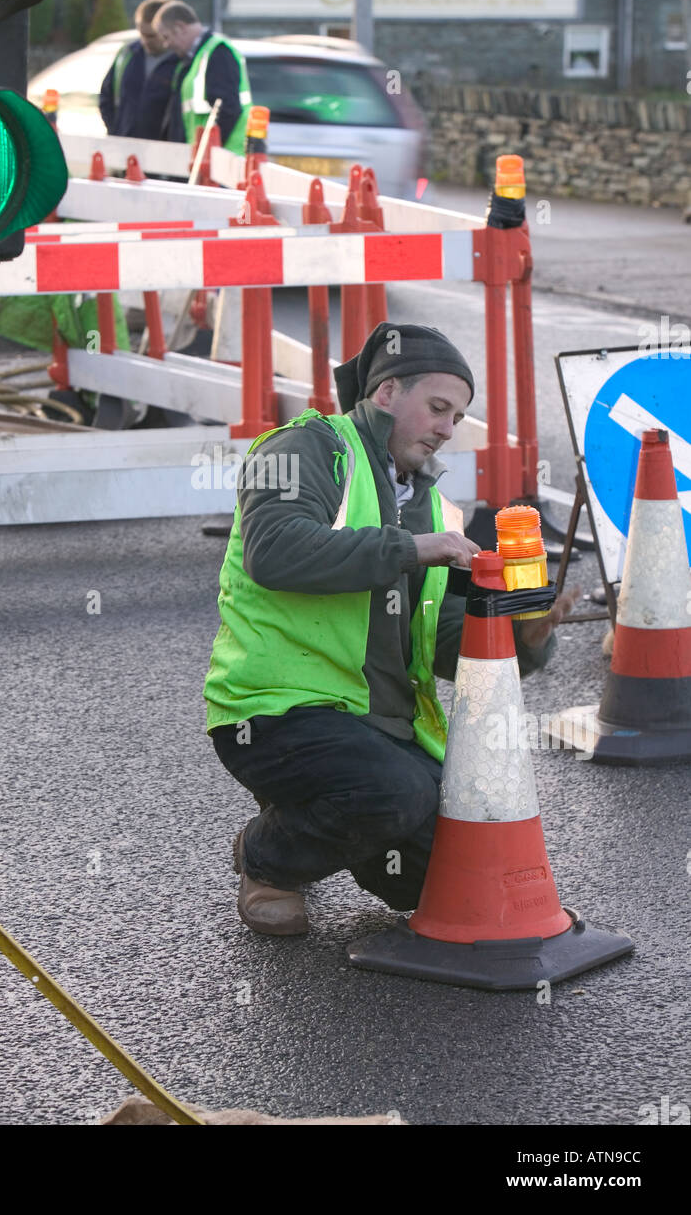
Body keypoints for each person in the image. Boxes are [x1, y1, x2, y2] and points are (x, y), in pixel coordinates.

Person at [203, 323, 580, 936]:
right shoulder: (300, 449)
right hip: (275, 710)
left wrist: (527, 639)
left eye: (457, 417)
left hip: (376, 727)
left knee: (447, 870)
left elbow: (448, 643)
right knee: (394, 795)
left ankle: (317, 805)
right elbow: (274, 552)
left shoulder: (434, 509)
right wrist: (413, 548)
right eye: (437, 408)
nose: (447, 429)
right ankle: (267, 858)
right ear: (385, 393)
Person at [153, 0, 252, 154]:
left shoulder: (217, 52)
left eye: (166, 37)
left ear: (179, 27)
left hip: (223, 162)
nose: (166, 45)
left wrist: (205, 154)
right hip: (211, 161)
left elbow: (228, 110)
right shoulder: (196, 58)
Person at [98, 0, 178, 140]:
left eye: (152, 35)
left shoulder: (181, 62)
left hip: (165, 151)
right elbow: (106, 97)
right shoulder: (128, 54)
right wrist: (115, 131)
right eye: (142, 33)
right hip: (125, 146)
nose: (145, 41)